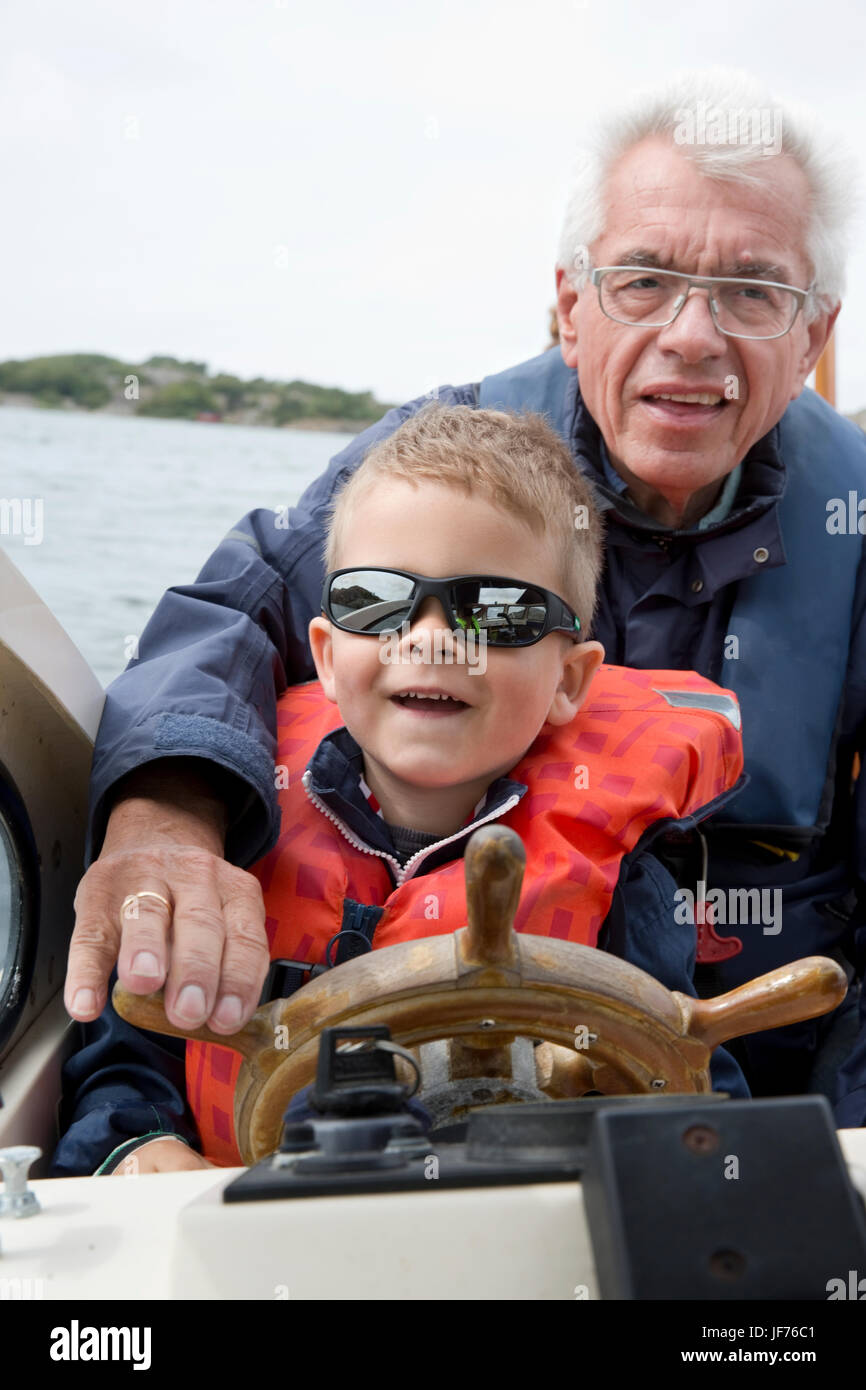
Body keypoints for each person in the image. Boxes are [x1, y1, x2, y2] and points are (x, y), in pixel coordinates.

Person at [63, 67, 866, 1123]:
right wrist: (165, 821)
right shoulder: (442, 469)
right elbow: (232, 614)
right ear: (570, 306)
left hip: (783, 1070)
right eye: (641, 279)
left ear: (811, 337)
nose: (690, 336)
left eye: (751, 293)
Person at [53, 405, 748, 1175]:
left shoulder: (624, 883)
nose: (430, 637)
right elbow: (121, 1066)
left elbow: (690, 1075)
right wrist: (139, 1147)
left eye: (496, 610)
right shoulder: (236, 842)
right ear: (324, 653)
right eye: (374, 601)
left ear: (569, 680)